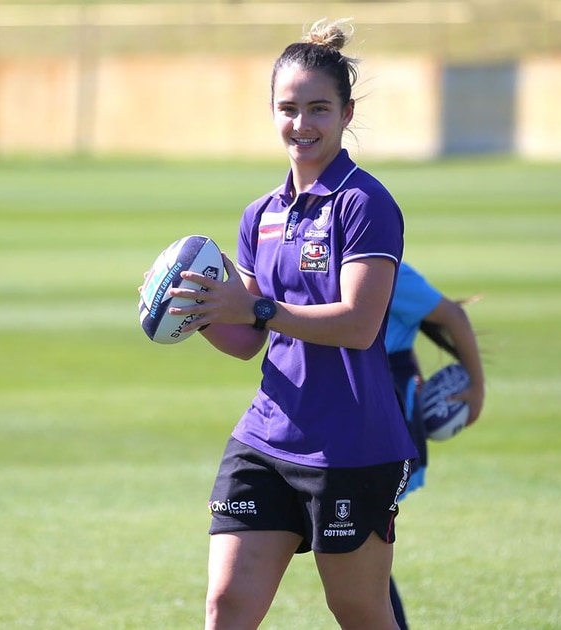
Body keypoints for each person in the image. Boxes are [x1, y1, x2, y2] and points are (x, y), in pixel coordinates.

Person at [158, 18, 416, 630]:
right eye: (289, 109)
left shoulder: (364, 204)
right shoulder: (261, 215)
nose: (302, 124)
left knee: (357, 611)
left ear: (347, 113)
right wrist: (195, 310)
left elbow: (358, 324)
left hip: (352, 444)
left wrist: (257, 309)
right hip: (267, 440)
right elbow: (248, 340)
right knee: (227, 606)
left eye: (318, 109)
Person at [383, 261, 485, 629]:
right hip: (353, 413)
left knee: (359, 551)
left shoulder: (387, 269)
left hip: (383, 419)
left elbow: (453, 315)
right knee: (355, 552)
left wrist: (476, 388)